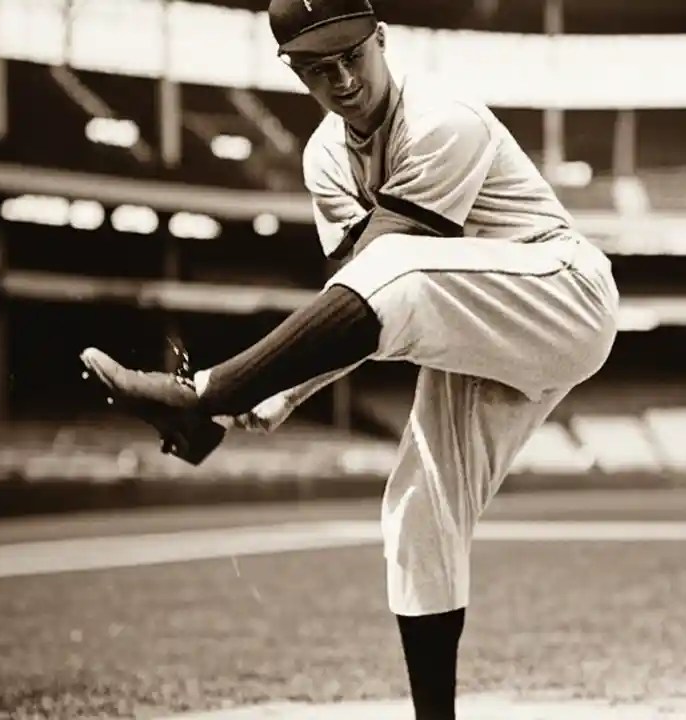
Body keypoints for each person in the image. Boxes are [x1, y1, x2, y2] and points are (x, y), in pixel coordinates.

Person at [80, 0, 619, 716]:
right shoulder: (325, 160)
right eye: (316, 68)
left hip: (563, 295)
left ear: (382, 39)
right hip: (478, 336)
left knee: (396, 263)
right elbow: (355, 303)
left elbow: (389, 274)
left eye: (351, 56)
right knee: (418, 515)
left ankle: (195, 394)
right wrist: (280, 396)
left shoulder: (442, 117)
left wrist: (228, 390)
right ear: (293, 72)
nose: (341, 79)